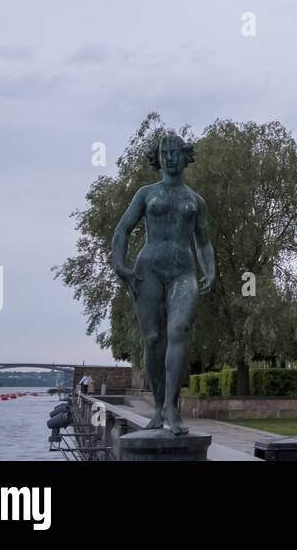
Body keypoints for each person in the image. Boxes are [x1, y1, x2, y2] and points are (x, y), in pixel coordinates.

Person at [110, 133, 216, 435]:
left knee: (179, 329)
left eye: (174, 152)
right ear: (159, 158)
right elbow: (122, 230)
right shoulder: (147, 194)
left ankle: (171, 405)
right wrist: (121, 265)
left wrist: (210, 269)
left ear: (185, 156)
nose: (169, 157)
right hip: (149, 271)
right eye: (164, 152)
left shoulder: (195, 201)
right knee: (154, 339)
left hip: (184, 272)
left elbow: (203, 241)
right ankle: (158, 407)